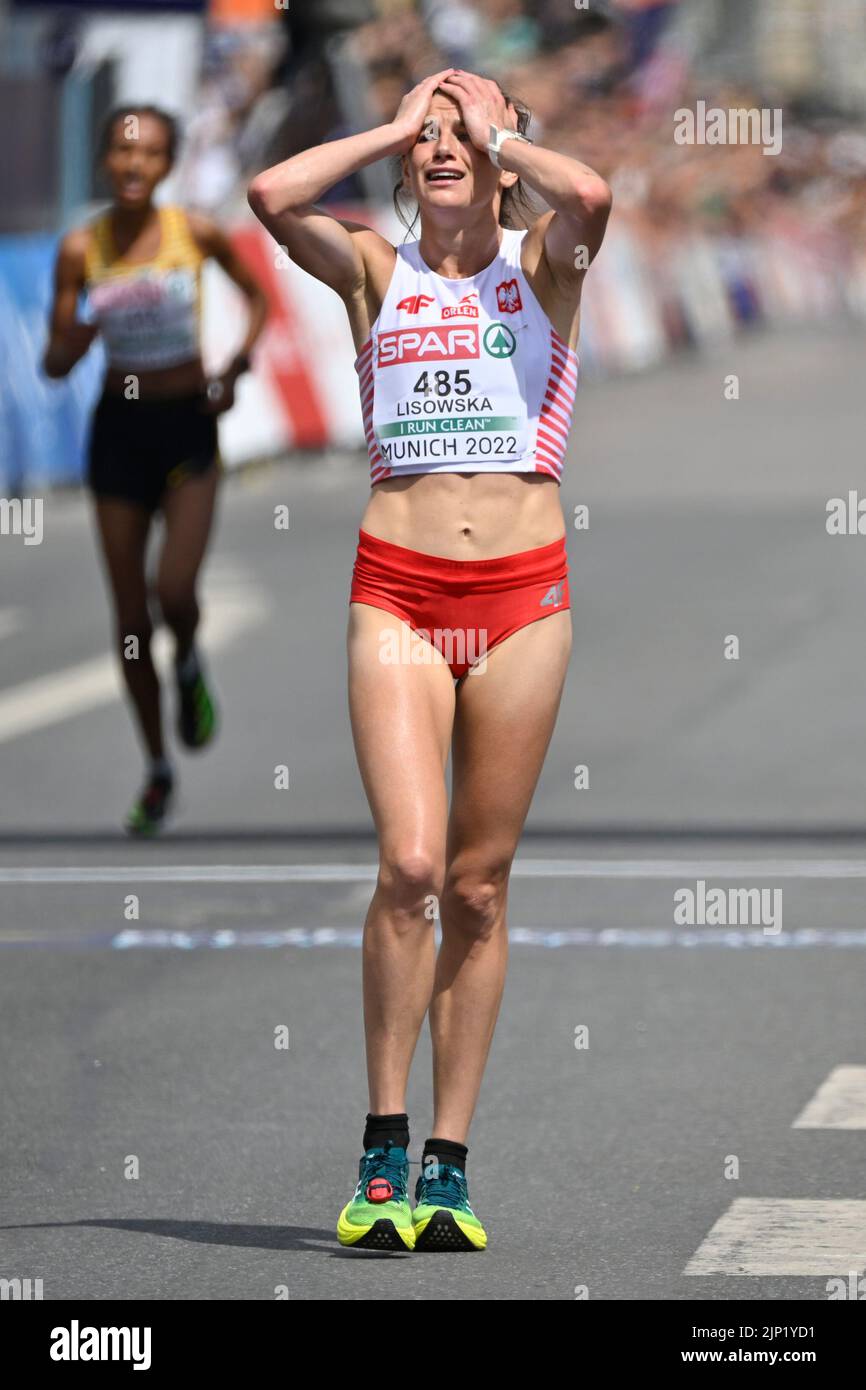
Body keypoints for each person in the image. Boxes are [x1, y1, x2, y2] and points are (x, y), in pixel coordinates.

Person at [248, 67, 611, 1250]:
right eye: (428, 135)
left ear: (504, 153)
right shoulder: (370, 266)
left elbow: (594, 193)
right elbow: (267, 191)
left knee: (475, 884)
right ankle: (382, 1143)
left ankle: (450, 1161)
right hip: (398, 592)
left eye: (464, 129)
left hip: (520, 595)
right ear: (405, 163)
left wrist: (502, 136)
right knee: (407, 863)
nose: (444, 142)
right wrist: (401, 122)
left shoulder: (543, 261)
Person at [44, 105, 268, 835]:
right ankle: (157, 769)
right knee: (131, 617)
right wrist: (79, 331)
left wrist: (234, 369)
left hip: (187, 429)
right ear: (105, 159)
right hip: (119, 435)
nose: (133, 165)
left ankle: (192, 661)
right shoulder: (82, 247)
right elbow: (53, 362)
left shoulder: (193, 233)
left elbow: (258, 297)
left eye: (148, 154)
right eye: (120, 151)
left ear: (168, 165)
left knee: (174, 589)